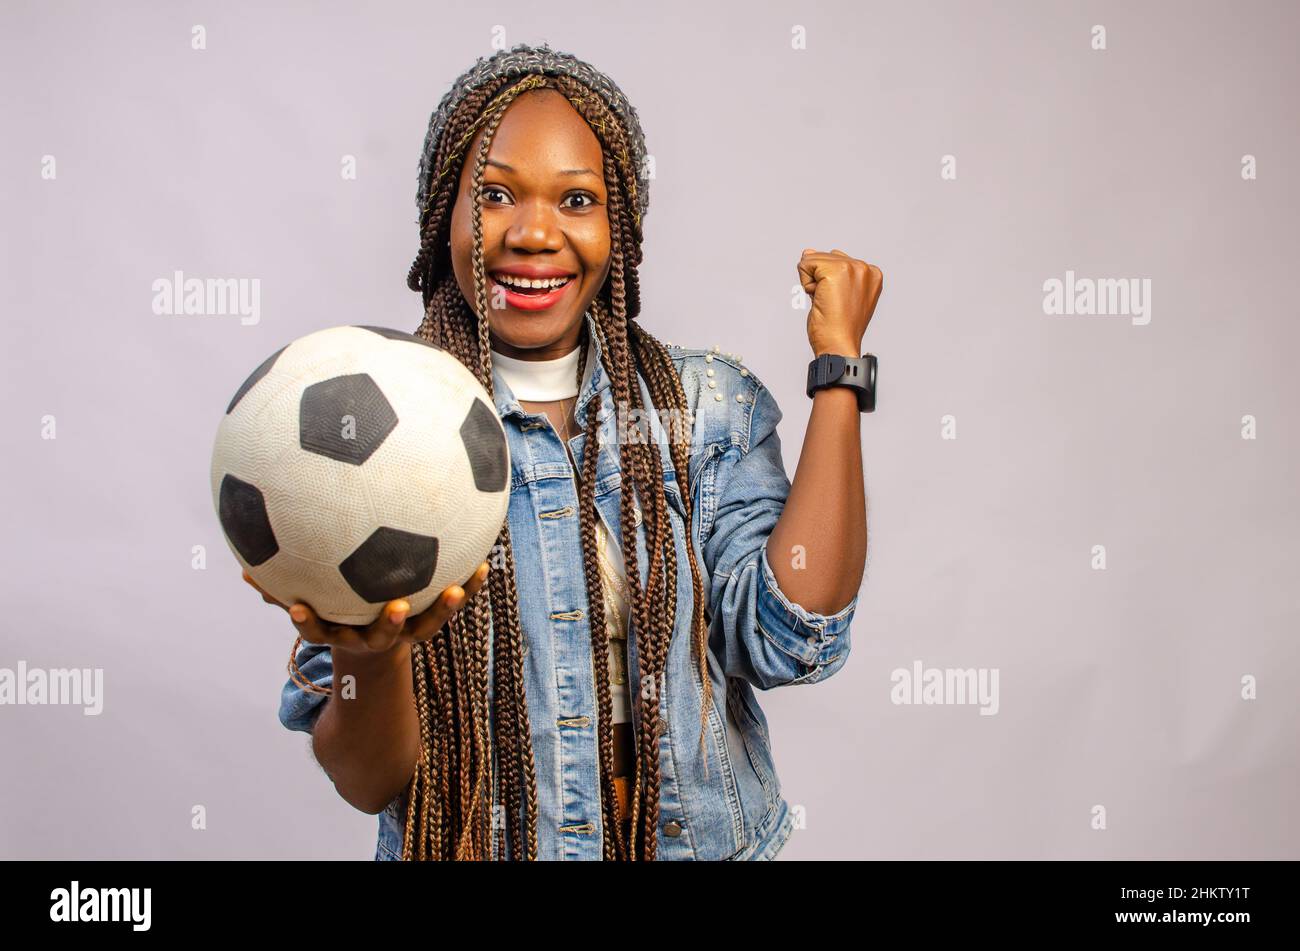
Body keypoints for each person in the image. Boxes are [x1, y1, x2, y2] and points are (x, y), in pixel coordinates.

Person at [250, 42, 882, 861]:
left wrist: (839, 373)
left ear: (619, 226)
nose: (535, 231)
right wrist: (369, 659)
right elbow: (369, 781)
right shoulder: (374, 430)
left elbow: (788, 641)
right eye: (496, 194)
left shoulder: (702, 407)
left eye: (577, 198)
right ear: (443, 214)